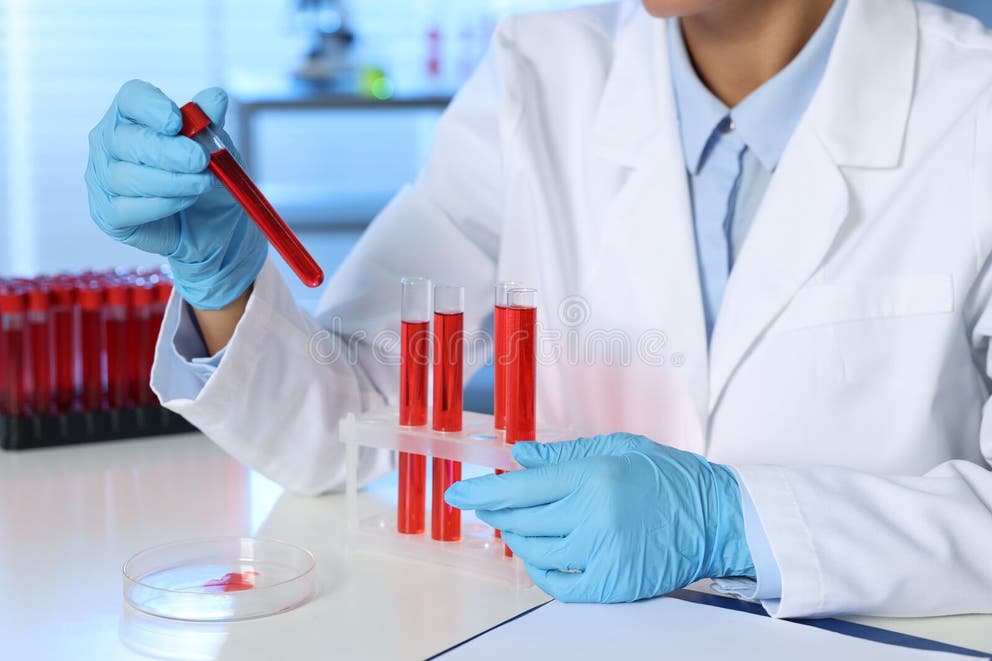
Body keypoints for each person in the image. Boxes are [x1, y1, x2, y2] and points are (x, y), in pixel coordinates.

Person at [85, 0, 992, 619]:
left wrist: (737, 520)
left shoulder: (971, 107)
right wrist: (224, 285)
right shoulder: (542, 73)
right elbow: (344, 418)